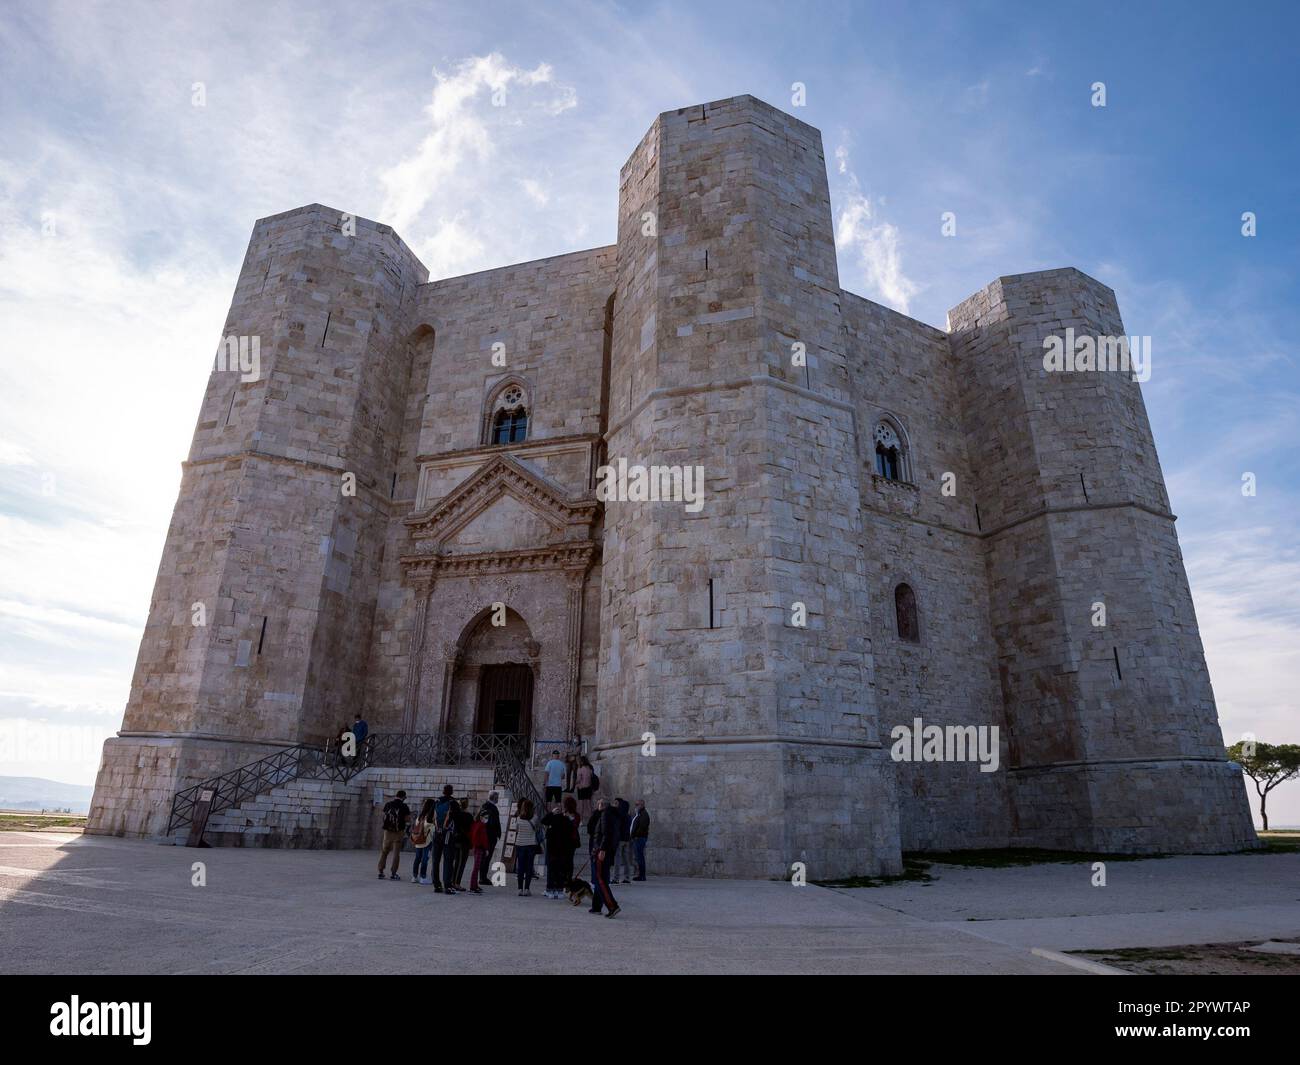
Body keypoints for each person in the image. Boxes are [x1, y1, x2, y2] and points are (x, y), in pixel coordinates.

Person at [588, 794, 621, 918]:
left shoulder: (605, 815)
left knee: (600, 880)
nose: (597, 805)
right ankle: (596, 906)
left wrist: (601, 849)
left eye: (599, 803)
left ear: (602, 805)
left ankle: (612, 906)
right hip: (607, 851)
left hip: (602, 852)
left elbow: (606, 834)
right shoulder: (613, 815)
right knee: (601, 879)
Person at [540, 803, 575, 899]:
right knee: (560, 870)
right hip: (562, 850)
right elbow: (571, 830)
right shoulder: (566, 820)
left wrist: (551, 813)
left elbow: (543, 821)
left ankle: (550, 889)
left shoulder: (552, 819)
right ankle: (559, 890)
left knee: (551, 870)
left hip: (552, 849)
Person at [377, 789, 410, 880]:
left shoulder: (388, 804)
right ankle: (393, 873)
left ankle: (380, 871)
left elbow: (384, 816)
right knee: (396, 853)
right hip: (398, 832)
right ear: (403, 797)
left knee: (384, 851)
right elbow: (407, 819)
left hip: (387, 831)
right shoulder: (404, 806)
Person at [431, 784, 458, 895]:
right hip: (448, 835)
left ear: (443, 791)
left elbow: (431, 817)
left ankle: (436, 885)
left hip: (437, 833)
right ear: (451, 792)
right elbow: (458, 819)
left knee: (435, 860)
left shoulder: (437, 802)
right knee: (448, 860)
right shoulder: (454, 803)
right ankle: (447, 885)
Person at [514, 798, 541, 896]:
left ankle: (519, 888)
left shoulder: (518, 818)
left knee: (520, 867)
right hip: (531, 844)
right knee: (529, 867)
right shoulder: (535, 818)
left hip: (520, 844)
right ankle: (527, 889)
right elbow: (537, 829)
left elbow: (516, 830)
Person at [409, 798, 435, 884]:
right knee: (425, 859)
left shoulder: (420, 815)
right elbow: (432, 828)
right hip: (426, 841)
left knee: (417, 858)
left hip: (418, 840)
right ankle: (423, 877)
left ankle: (414, 876)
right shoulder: (431, 815)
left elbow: (416, 825)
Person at [479, 791, 502, 887]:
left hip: (486, 835)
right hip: (489, 836)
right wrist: (496, 833)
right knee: (486, 857)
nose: (498, 799)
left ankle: (482, 876)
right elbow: (491, 822)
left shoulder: (485, 806)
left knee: (485, 857)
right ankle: (482, 877)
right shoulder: (491, 807)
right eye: (497, 798)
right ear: (494, 798)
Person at [468, 811, 491, 893]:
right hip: (479, 847)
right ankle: (472, 887)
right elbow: (483, 838)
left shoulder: (476, 824)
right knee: (476, 867)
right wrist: (486, 848)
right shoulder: (481, 825)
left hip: (476, 847)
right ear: (481, 817)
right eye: (486, 817)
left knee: (476, 867)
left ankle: (475, 885)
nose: (486, 819)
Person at [453, 797, 473, 888]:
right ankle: (457, 883)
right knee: (462, 863)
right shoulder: (468, 816)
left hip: (456, 839)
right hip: (465, 841)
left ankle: (453, 881)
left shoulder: (456, 815)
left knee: (456, 862)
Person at [612, 797, 633, 884]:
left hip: (620, 839)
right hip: (627, 839)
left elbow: (617, 828)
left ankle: (616, 878)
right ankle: (627, 877)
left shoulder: (619, 815)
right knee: (626, 860)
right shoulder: (628, 816)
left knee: (617, 859)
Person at [629, 799, 650, 881]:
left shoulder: (644, 814)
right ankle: (640, 875)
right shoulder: (639, 814)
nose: (636, 806)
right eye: (635, 804)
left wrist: (635, 835)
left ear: (642, 805)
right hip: (637, 838)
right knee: (638, 857)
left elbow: (642, 827)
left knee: (640, 857)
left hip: (640, 838)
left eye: (637, 804)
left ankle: (642, 876)